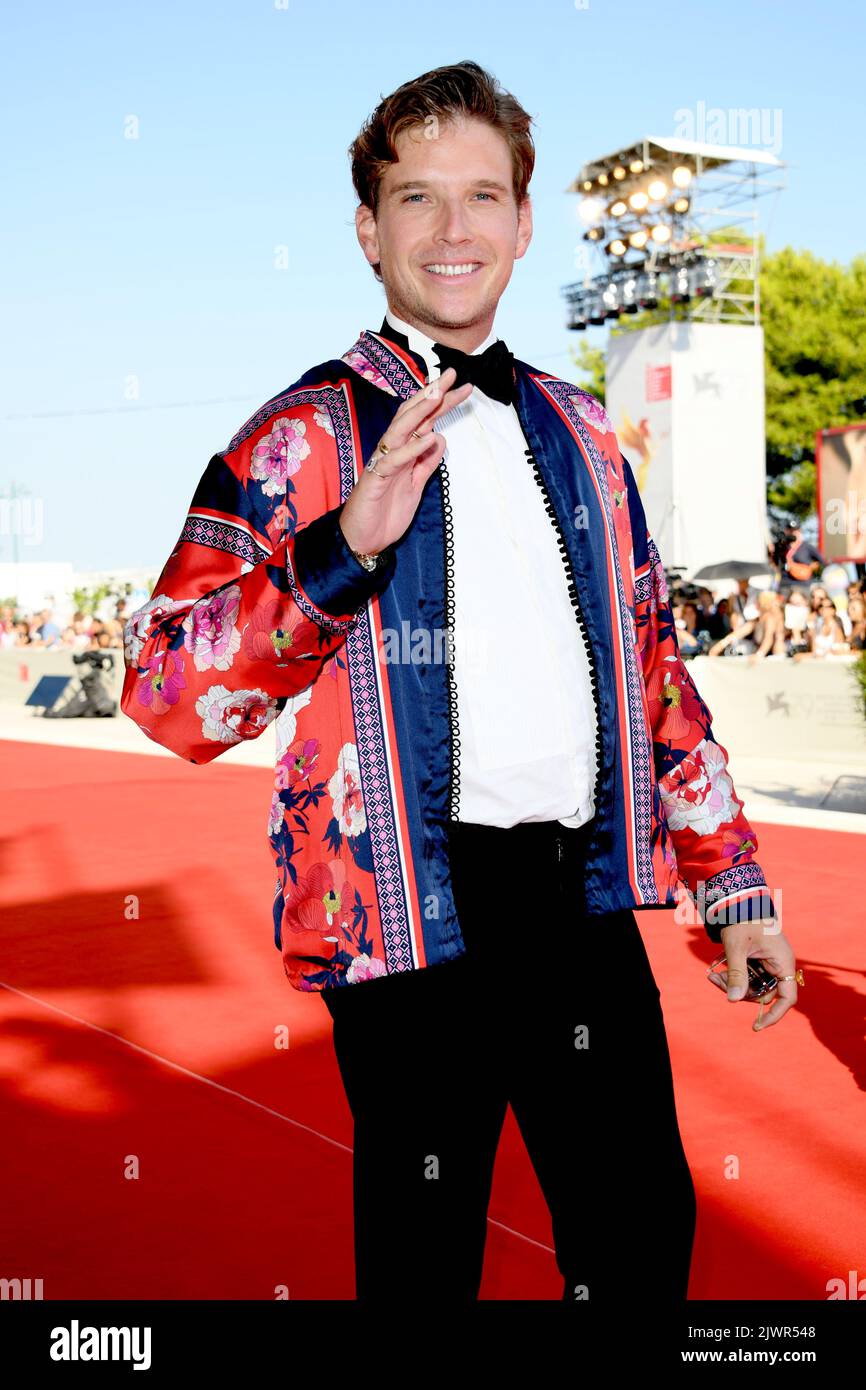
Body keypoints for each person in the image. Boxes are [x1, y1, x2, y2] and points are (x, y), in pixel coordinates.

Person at [120, 60, 799, 1304]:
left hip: (580, 902)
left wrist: (731, 881)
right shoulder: (299, 436)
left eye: (482, 196)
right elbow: (165, 689)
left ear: (524, 222)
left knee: (640, 1234)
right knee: (428, 1269)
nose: (453, 231)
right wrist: (343, 549)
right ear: (369, 229)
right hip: (406, 921)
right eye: (417, 198)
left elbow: (655, 669)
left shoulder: (586, 427)